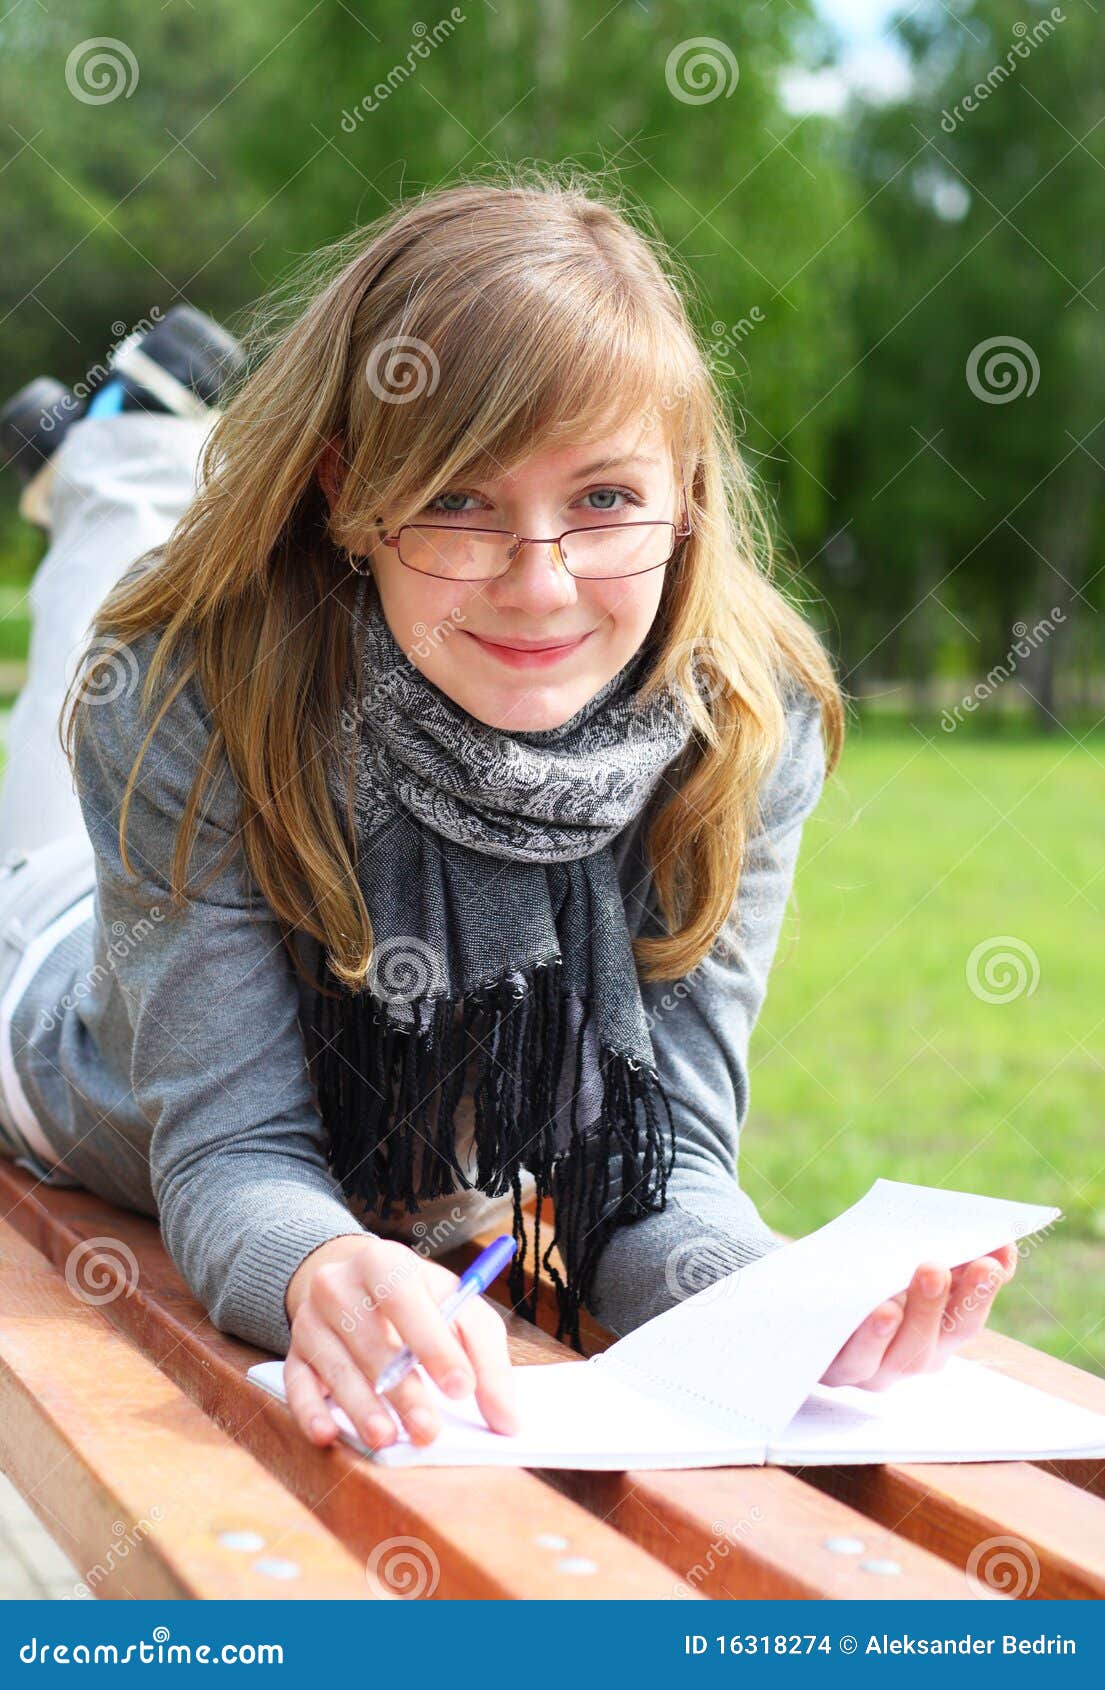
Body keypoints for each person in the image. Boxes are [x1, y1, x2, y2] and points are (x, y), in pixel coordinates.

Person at [0, 171, 1017, 1456]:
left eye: (603, 499)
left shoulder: (747, 720)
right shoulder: (185, 685)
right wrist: (319, 1263)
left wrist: (769, 1305)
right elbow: (230, 1149)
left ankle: (120, 438)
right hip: (61, 1014)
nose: (539, 586)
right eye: (457, 501)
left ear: (687, 490)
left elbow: (659, 1168)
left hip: (291, 1050)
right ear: (345, 497)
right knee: (95, 678)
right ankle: (123, 446)